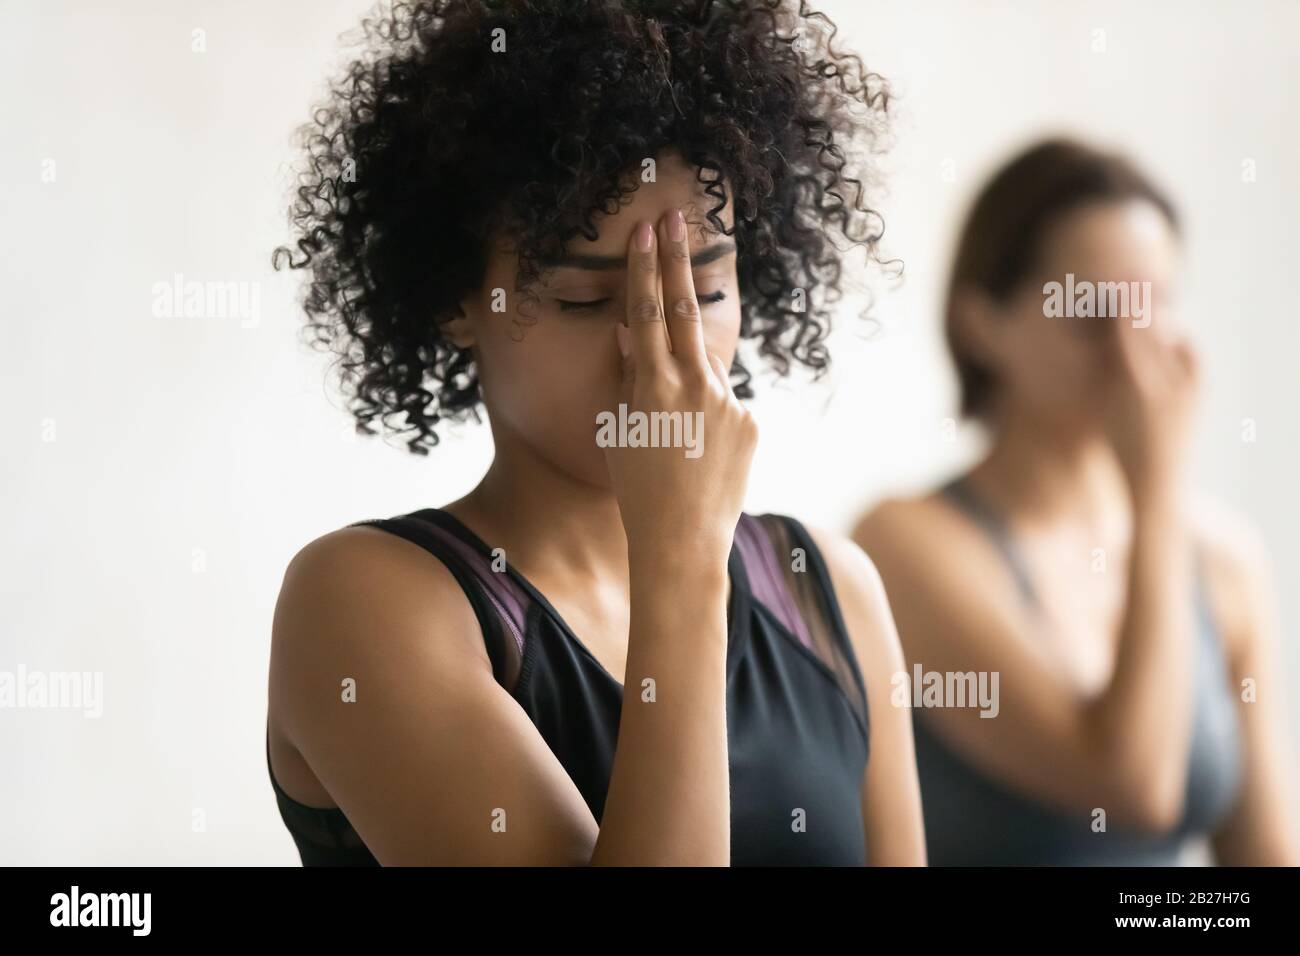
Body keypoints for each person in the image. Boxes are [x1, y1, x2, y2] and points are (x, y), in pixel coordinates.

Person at [266, 0, 925, 866]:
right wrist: (683, 557)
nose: (652, 345)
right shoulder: (366, 604)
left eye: (708, 290)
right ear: (454, 300)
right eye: (585, 298)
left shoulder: (828, 591)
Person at [854, 138, 1300, 865]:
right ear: (982, 324)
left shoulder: (1226, 564)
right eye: (1092, 316)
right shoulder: (903, 546)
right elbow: (1131, 786)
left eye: (1154, 310)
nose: (1132, 357)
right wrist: (1157, 493)